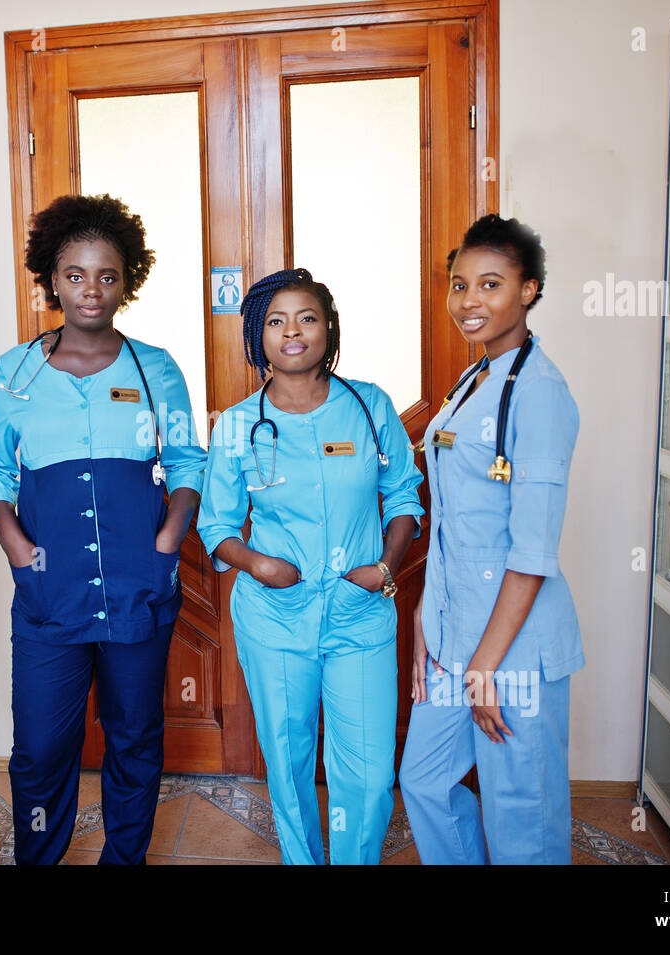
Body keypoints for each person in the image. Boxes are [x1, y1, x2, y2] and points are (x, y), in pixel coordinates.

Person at [0, 193, 206, 865]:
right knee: (43, 747)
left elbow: (188, 458)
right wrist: (19, 548)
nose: (91, 290)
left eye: (107, 275)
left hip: (138, 587)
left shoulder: (154, 367)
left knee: (134, 736)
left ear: (126, 280)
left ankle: (124, 857)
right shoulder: (14, 372)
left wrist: (166, 543)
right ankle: (40, 856)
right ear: (52, 278)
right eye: (75, 274)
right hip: (51, 591)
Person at [196, 268, 424, 865]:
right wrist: (258, 564)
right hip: (276, 617)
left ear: (329, 329)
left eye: (306, 318)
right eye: (275, 321)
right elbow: (215, 526)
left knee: (371, 774)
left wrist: (387, 566)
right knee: (289, 766)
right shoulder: (237, 425)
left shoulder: (370, 406)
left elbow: (403, 495)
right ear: (257, 336)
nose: (291, 332)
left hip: (360, 615)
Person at [398, 213, 582, 865]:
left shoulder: (540, 394)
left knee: (520, 818)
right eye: (459, 284)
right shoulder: (476, 380)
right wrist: (428, 614)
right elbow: (455, 520)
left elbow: (531, 552)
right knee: (423, 779)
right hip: (456, 634)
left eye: (491, 284)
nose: (469, 301)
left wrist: (485, 665)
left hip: (513, 650)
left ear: (528, 290)